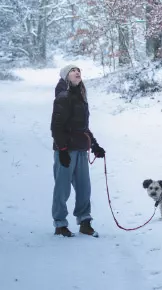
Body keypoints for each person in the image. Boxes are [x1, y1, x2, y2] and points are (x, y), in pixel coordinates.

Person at [51, 64, 105, 237]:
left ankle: (84, 221)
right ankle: (60, 224)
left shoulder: (81, 97)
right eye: (73, 71)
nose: (77, 72)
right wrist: (63, 150)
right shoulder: (63, 97)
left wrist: (94, 145)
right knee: (62, 189)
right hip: (66, 150)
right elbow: (56, 127)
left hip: (81, 148)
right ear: (66, 77)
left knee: (84, 188)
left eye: (79, 70)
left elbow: (84, 127)